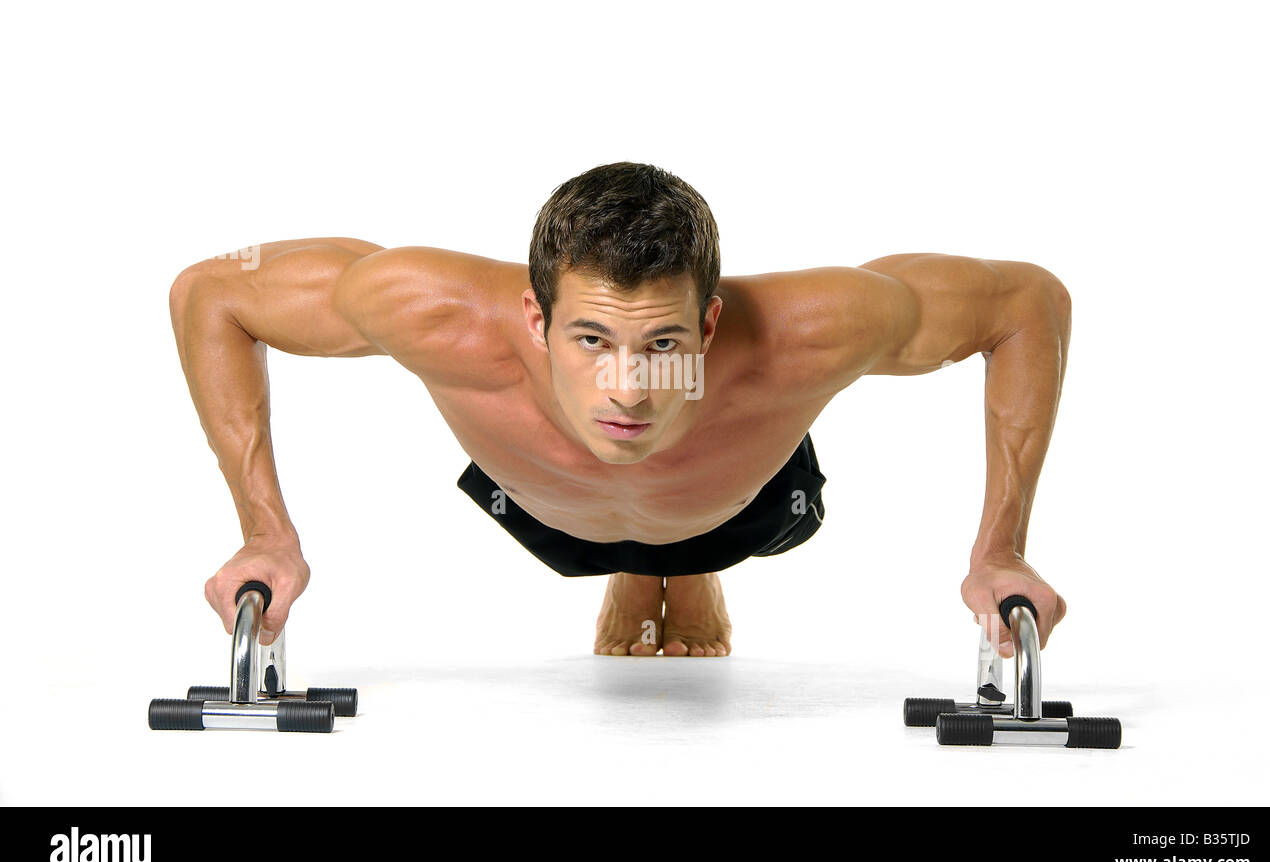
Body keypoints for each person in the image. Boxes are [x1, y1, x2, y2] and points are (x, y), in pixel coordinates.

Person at [169, 162, 1070, 658]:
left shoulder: (813, 328)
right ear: (536, 316)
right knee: (617, 498)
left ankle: (686, 564)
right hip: (543, 508)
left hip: (741, 507)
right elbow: (213, 294)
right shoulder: (432, 310)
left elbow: (1025, 304)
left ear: (710, 321)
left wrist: (1003, 549)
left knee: (681, 485)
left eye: (665, 344)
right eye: (592, 340)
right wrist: (266, 532)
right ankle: (633, 570)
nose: (629, 388)